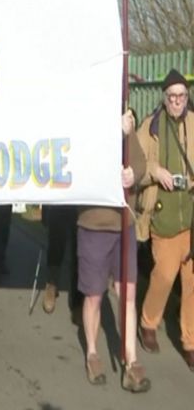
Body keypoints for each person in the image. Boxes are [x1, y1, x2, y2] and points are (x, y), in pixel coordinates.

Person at [78, 109, 150, 392]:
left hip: (124, 224)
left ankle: (131, 361)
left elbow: (141, 164)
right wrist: (112, 133)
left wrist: (134, 173)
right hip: (94, 224)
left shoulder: (126, 120)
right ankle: (93, 353)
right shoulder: (88, 122)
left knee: (128, 294)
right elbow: (84, 163)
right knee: (94, 295)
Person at [136, 68, 194, 370]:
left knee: (192, 282)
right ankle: (148, 321)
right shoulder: (151, 126)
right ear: (164, 98)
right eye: (172, 96)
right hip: (163, 217)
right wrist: (154, 172)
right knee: (165, 275)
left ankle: (190, 341)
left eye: (182, 96)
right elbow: (134, 165)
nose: (177, 102)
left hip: (191, 219)